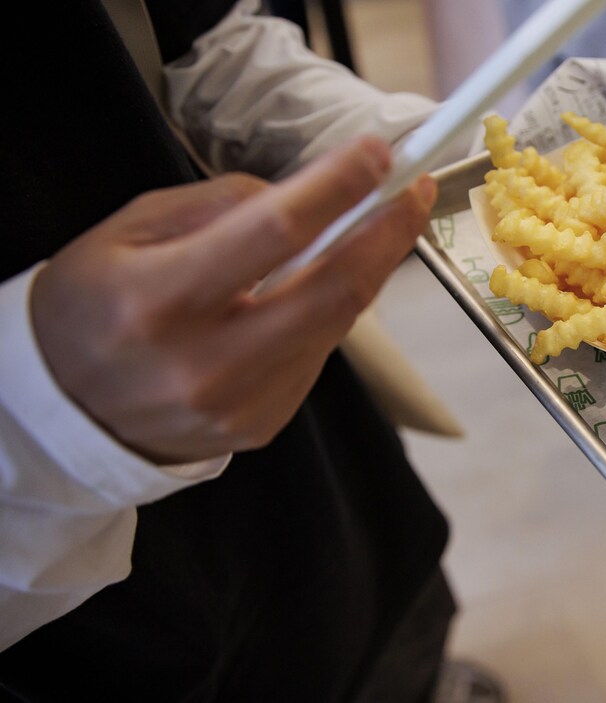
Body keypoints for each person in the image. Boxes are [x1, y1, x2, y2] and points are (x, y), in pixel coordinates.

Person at [0, 1, 479, 700]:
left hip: (281, 396)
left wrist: (397, 143)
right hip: (68, 637)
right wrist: (36, 433)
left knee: (369, 594)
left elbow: (204, 35)